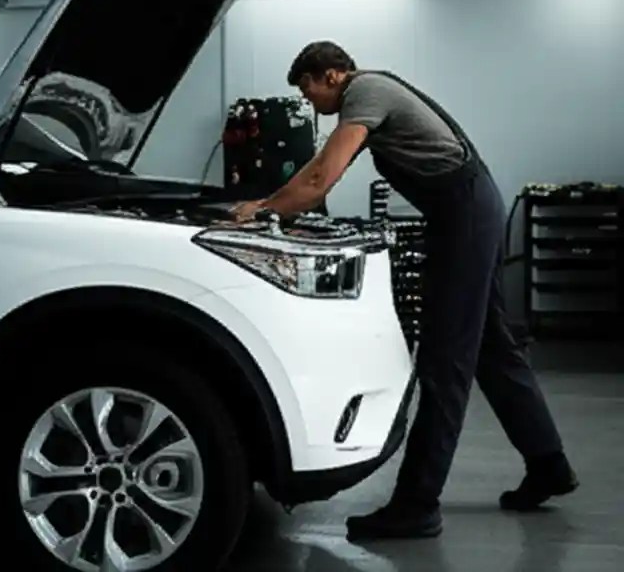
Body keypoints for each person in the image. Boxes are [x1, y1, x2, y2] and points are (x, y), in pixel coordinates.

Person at [231, 41, 577, 540]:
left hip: (464, 215)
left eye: (308, 91)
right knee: (493, 349)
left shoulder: (365, 92)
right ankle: (549, 465)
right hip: (467, 213)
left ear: (331, 75)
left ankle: (418, 504)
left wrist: (262, 210)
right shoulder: (373, 89)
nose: (310, 105)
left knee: (445, 362)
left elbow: (320, 178)